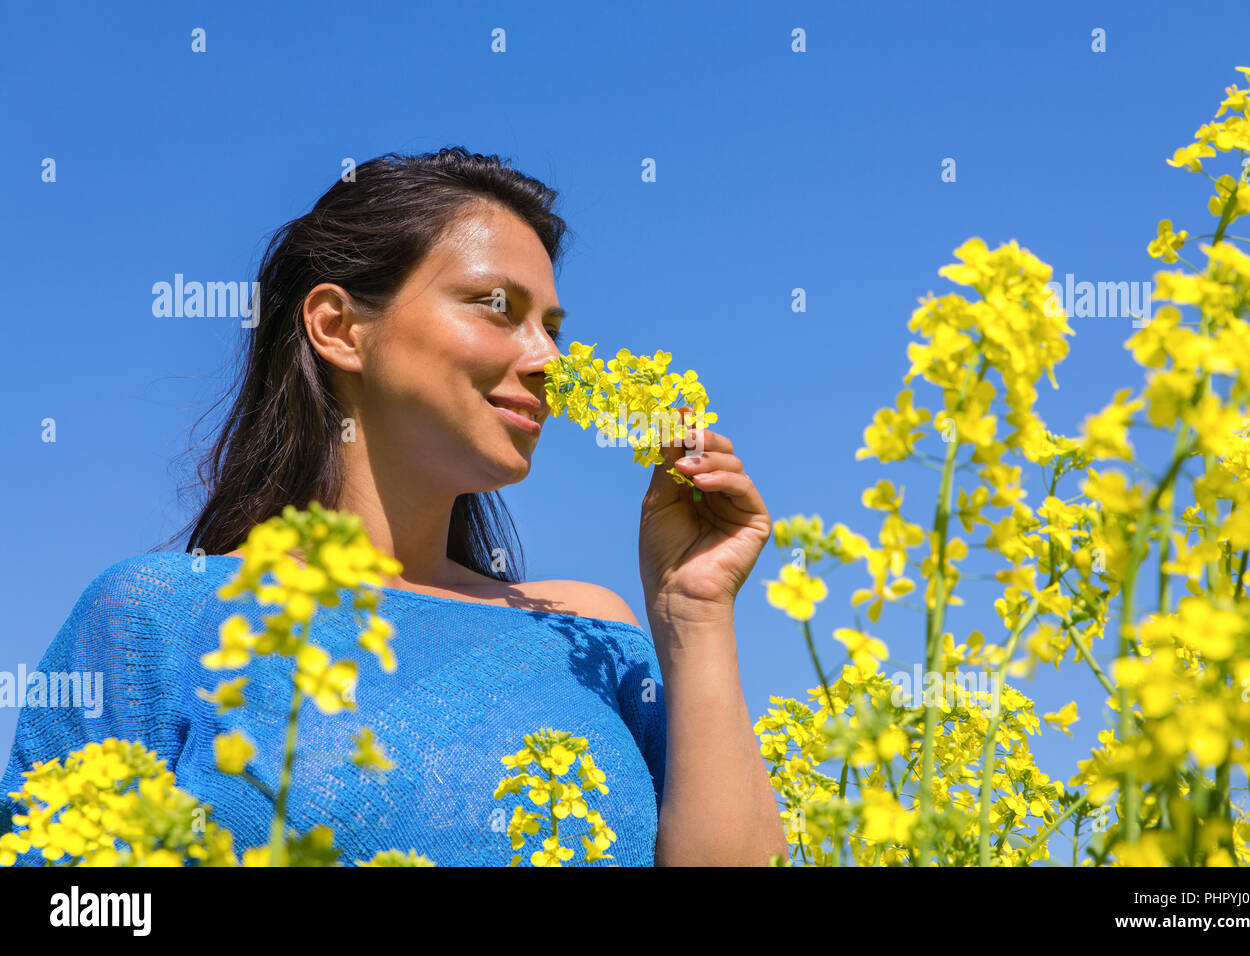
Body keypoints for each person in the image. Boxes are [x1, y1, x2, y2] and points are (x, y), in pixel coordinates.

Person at [0, 148, 786, 866]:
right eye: (496, 306)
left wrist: (694, 614)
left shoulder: (593, 635)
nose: (551, 361)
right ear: (339, 328)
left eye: (552, 326)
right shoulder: (156, 618)